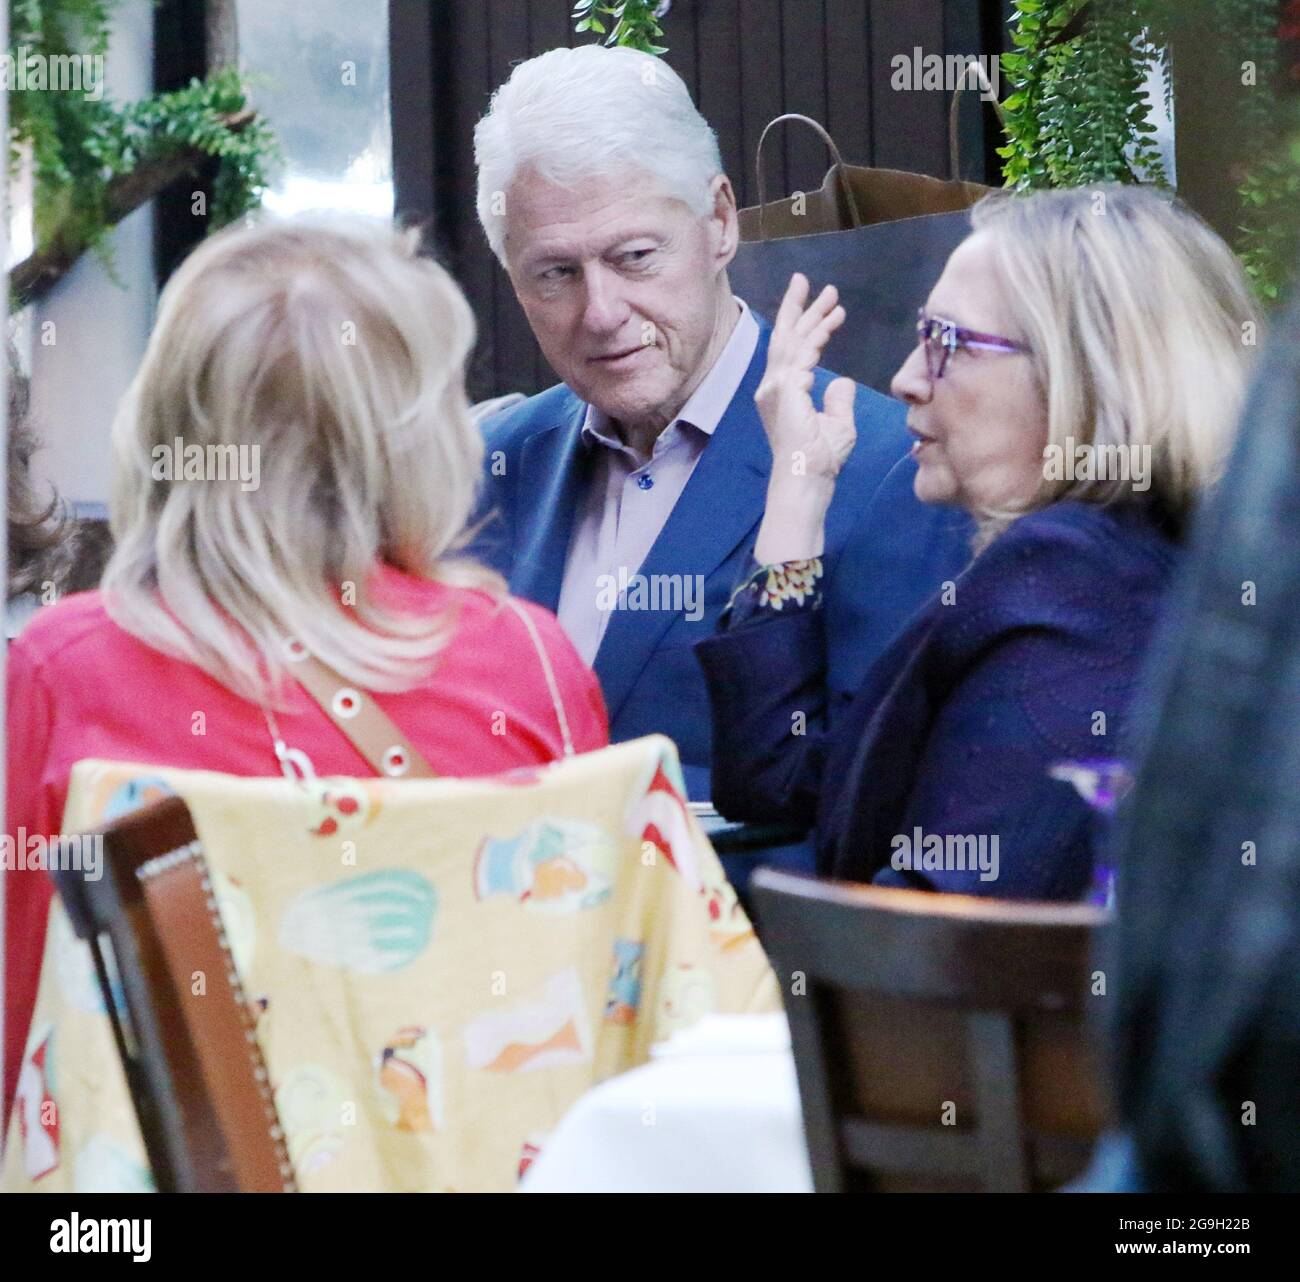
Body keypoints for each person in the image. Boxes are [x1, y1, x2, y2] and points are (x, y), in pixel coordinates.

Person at [3, 215, 608, 1131]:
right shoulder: (525, 659)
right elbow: (598, 984)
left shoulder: (69, 667)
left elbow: (22, 1029)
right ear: (414, 439)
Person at [696, 185, 1258, 900]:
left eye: (948, 344)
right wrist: (797, 492)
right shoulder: (1132, 564)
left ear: (1085, 371)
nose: (903, 379)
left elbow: (939, 940)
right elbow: (780, 784)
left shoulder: (1075, 589)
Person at [470, 45, 969, 805]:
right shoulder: (485, 467)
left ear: (721, 223)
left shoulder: (886, 474)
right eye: (556, 273)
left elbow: (871, 819)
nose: (601, 313)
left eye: (635, 256)